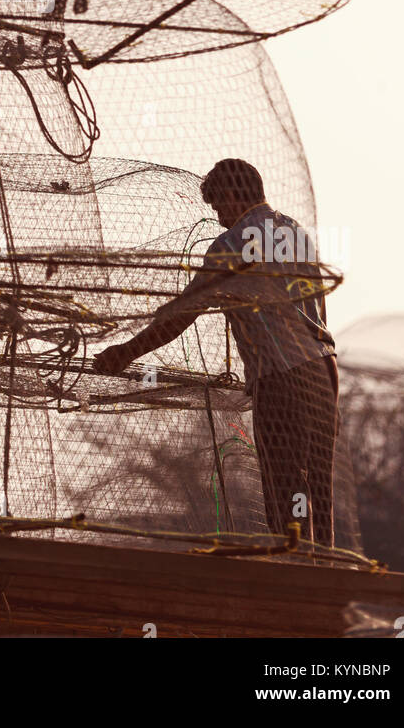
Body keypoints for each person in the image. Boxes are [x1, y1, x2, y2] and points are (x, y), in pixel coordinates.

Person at [93, 158, 339, 546]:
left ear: (231, 195)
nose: (221, 218)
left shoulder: (232, 244)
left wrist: (126, 351)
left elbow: (182, 313)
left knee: (286, 478)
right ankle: (322, 560)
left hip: (283, 376)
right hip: (324, 368)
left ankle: (292, 563)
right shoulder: (294, 231)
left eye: (219, 206)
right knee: (317, 482)